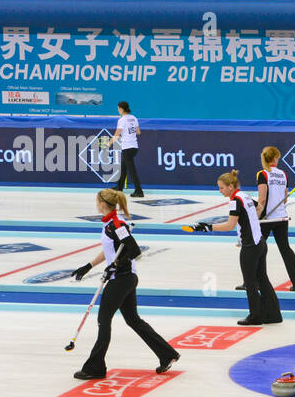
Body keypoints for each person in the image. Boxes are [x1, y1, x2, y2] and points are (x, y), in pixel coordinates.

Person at [70, 189, 178, 380]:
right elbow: (112, 250)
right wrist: (88, 266)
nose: (96, 204)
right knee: (133, 320)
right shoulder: (111, 224)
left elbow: (134, 250)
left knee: (104, 321)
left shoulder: (117, 224)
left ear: (102, 203)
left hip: (121, 279)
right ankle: (167, 354)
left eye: (96, 201)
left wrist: (117, 265)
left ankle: (95, 367)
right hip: (125, 278)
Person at [189, 171, 282, 324]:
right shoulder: (244, 196)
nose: (220, 191)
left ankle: (255, 316)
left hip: (250, 246)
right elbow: (259, 207)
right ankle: (274, 315)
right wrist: (247, 228)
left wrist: (208, 227)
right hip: (260, 243)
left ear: (231, 186)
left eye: (221, 188)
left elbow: (229, 225)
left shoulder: (235, 201)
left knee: (250, 282)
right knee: (263, 279)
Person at [254, 145, 295, 292]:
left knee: (256, 250)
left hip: (266, 218)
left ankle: (253, 282)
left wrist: (255, 218)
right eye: (278, 157)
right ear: (275, 158)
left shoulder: (262, 174)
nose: (278, 160)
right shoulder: (283, 174)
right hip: (281, 218)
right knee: (285, 249)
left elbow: (262, 200)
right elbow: (284, 200)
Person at [109, 101, 143, 196]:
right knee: (123, 168)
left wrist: (108, 144)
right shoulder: (133, 118)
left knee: (132, 171)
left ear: (121, 109)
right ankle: (119, 187)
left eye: (118, 108)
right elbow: (138, 132)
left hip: (127, 148)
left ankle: (139, 191)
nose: (118, 110)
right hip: (134, 147)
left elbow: (116, 135)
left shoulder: (122, 120)